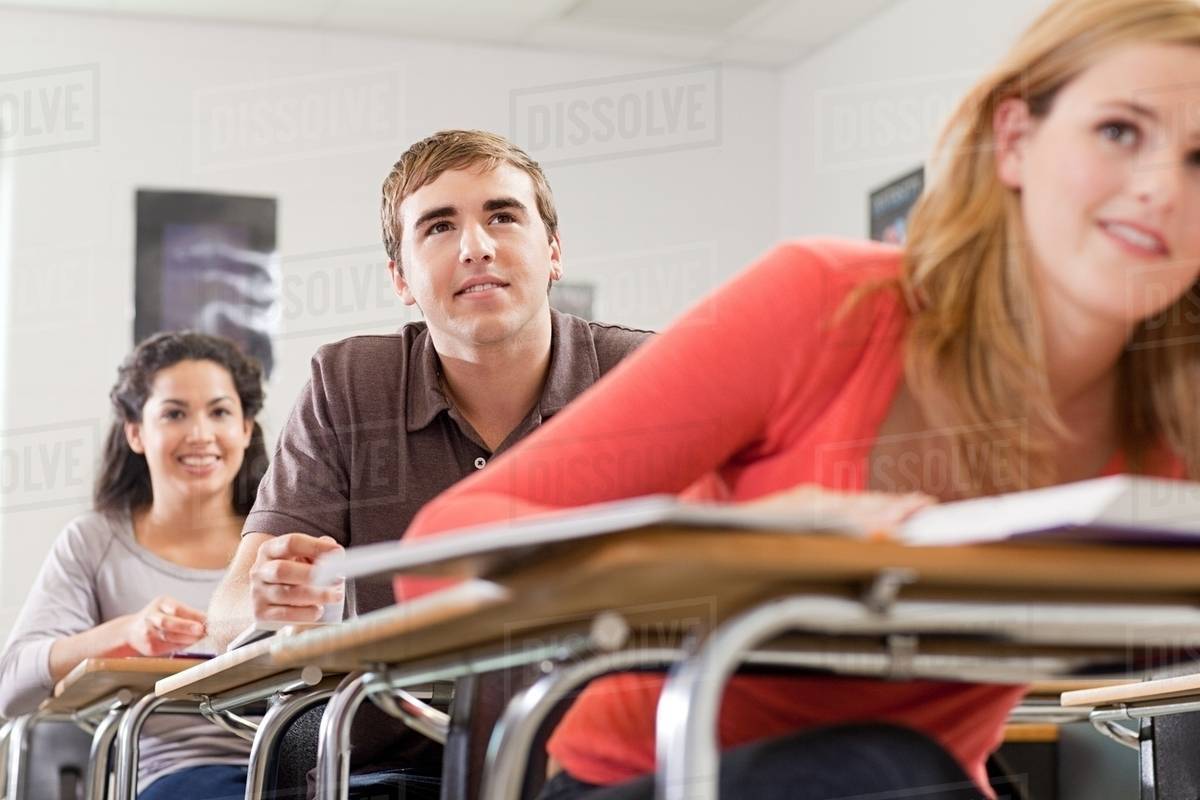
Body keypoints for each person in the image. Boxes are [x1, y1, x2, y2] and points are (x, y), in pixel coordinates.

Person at [404, 1, 1200, 798]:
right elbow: (443, 555)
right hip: (658, 777)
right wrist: (745, 543)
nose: (1160, 190)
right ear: (1017, 140)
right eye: (1120, 132)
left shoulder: (1177, 422)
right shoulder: (828, 302)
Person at [205, 130, 652, 797]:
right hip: (391, 758)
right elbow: (227, 615)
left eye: (503, 215)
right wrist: (270, 599)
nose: (476, 245)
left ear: (553, 251)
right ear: (400, 278)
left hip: (592, 746)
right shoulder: (347, 382)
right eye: (439, 227)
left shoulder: (642, 374)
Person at [0, 331, 269, 799]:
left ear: (246, 428)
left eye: (220, 412)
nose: (201, 434)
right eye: (174, 413)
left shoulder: (280, 539)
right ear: (135, 432)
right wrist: (122, 634)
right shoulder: (95, 541)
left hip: (306, 764)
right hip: (182, 777)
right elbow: (12, 688)